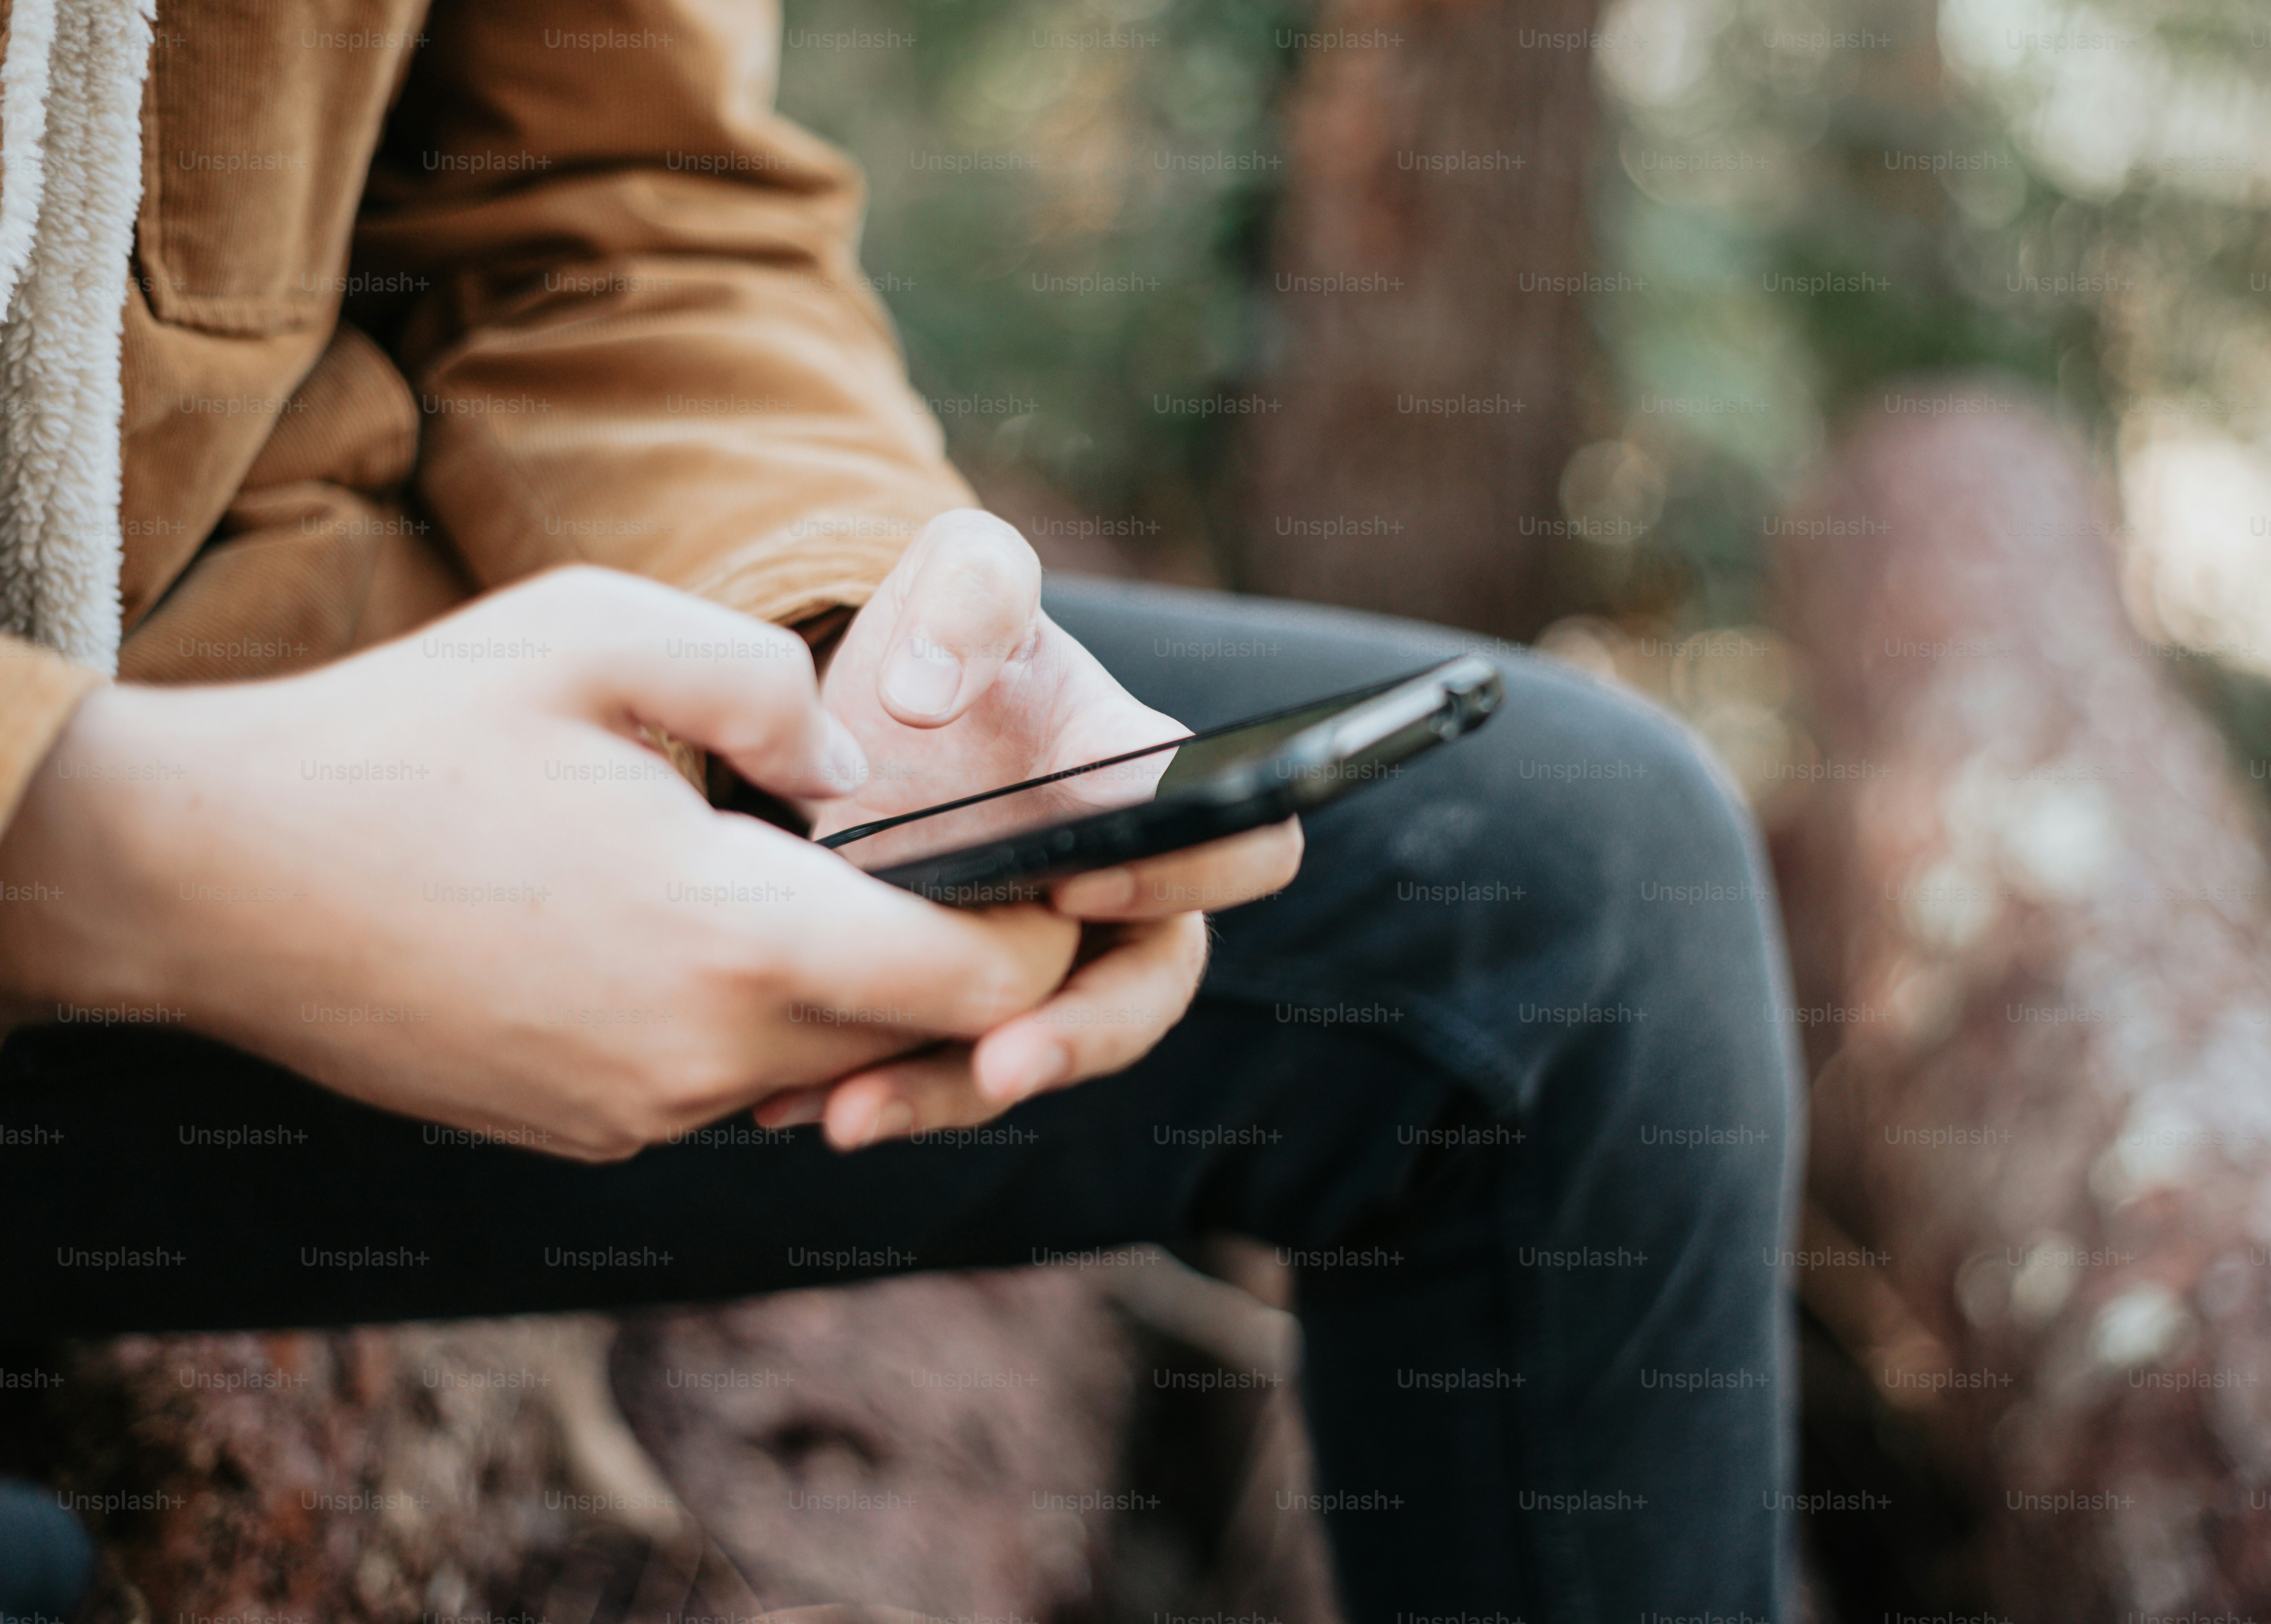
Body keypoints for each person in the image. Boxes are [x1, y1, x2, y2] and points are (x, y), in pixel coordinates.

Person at [0, 2, 1803, 1619]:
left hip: (228, 657)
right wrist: (131, 846)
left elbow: (615, 204)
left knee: (1570, 891)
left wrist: (844, 631)